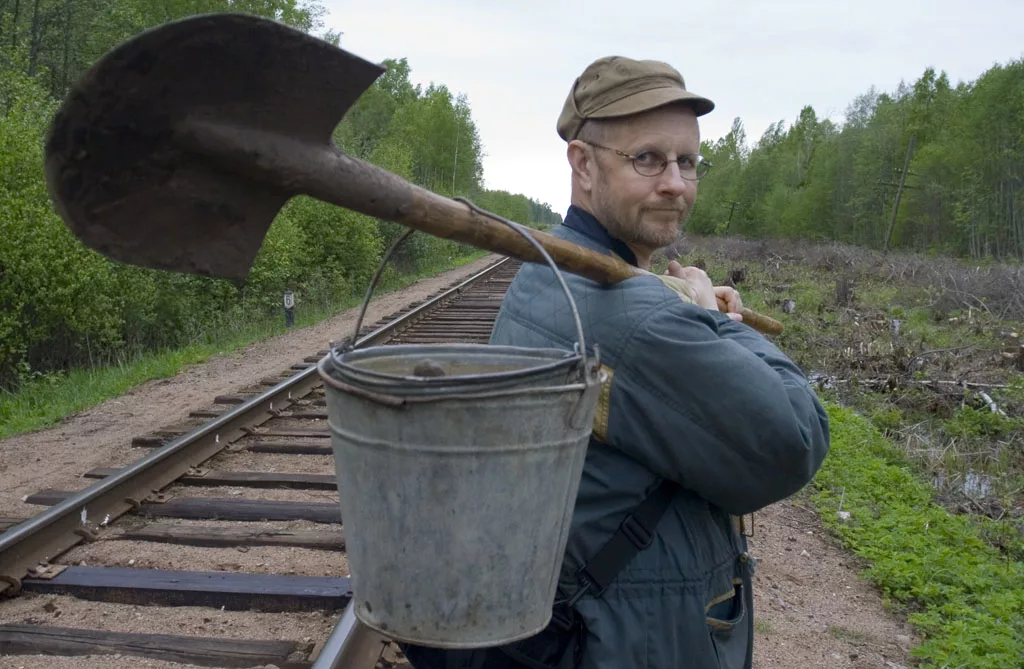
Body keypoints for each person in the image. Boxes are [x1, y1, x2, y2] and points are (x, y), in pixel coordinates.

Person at [401, 56, 830, 669]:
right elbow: (795, 438)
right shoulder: (633, 315)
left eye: (688, 162)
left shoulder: (547, 272)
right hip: (628, 635)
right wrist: (721, 323)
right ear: (583, 164)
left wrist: (684, 306)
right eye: (648, 159)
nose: (675, 183)